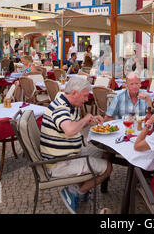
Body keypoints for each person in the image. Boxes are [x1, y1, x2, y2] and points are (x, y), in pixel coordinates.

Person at [40, 77, 112, 214]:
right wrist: (85, 118)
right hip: (58, 163)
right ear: (74, 93)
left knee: (101, 154)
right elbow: (70, 130)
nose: (86, 100)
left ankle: (80, 187)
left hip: (67, 155)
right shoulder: (61, 108)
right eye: (85, 96)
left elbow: (72, 125)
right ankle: (74, 191)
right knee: (108, 168)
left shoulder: (67, 103)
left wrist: (89, 121)